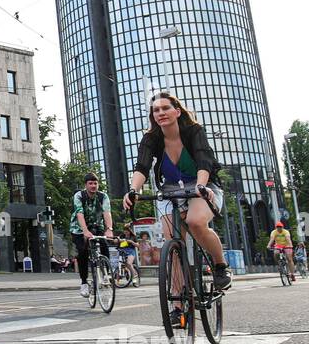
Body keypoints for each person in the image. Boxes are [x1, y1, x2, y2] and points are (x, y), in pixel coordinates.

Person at [123, 92, 231, 327]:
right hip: (170, 190)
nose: (160, 113)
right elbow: (142, 166)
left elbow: (204, 160)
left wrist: (202, 186)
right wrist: (133, 190)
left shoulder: (194, 131)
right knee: (172, 246)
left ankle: (220, 266)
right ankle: (178, 308)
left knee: (194, 221)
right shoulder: (151, 138)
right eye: (155, 110)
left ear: (177, 111)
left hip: (203, 186)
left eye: (165, 108)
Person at [69, 172, 114, 299]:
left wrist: (109, 229)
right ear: (86, 185)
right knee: (83, 253)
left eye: (95, 183)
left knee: (104, 243)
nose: (93, 186)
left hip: (96, 226)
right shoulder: (79, 196)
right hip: (78, 228)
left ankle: (106, 274)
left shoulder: (103, 196)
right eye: (90, 183)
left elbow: (107, 213)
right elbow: (79, 214)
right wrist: (85, 231)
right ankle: (84, 283)